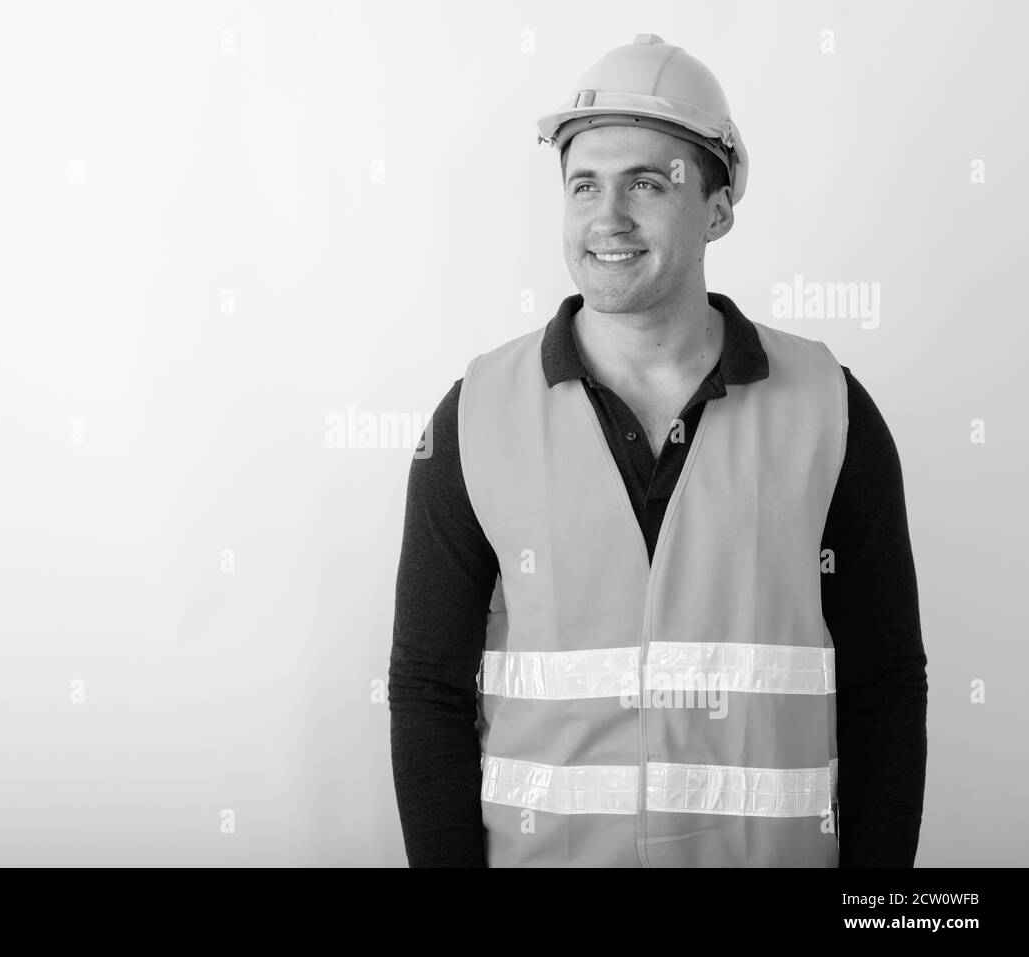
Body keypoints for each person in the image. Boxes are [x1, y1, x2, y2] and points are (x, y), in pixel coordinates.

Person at [387, 34, 927, 867]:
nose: (608, 218)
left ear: (716, 207)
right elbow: (427, 689)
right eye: (584, 185)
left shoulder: (832, 410)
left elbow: (885, 685)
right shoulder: (474, 415)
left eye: (647, 182)